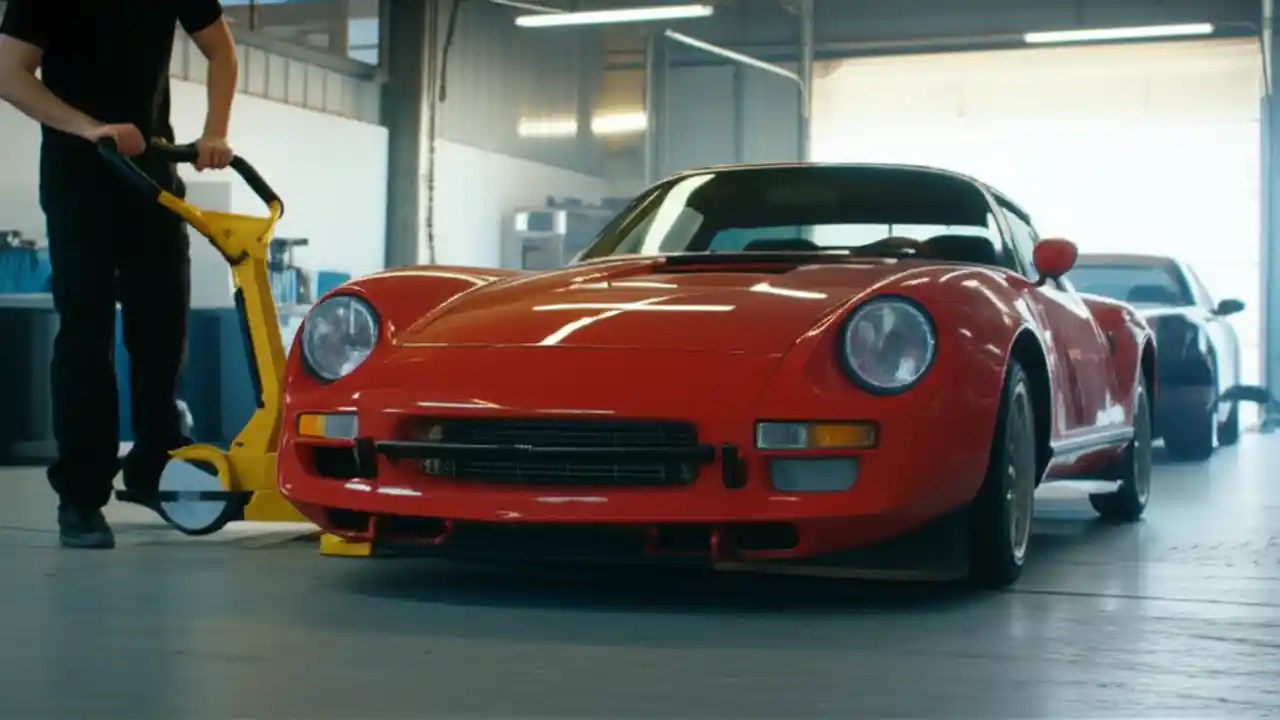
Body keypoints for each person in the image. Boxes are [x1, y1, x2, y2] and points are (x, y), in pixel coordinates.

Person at [0, 0, 239, 549]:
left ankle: (155, 465)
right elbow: (11, 73)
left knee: (161, 328)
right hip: (79, 175)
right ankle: (81, 496)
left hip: (152, 169)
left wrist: (215, 132)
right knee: (86, 336)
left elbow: (221, 48)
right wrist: (89, 128)